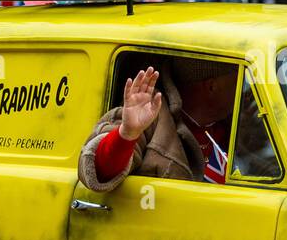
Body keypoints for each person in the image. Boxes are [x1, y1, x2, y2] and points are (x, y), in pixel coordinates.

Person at [78, 59, 239, 191]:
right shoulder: (152, 113)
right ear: (212, 86)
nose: (243, 88)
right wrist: (127, 133)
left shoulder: (235, 124)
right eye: (237, 80)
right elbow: (97, 172)